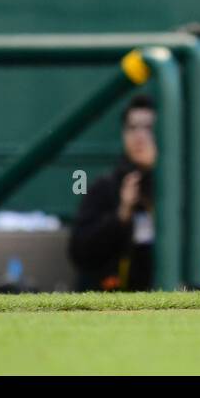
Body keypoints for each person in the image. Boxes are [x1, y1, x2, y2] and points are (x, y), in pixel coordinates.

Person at [68, 95, 160, 291]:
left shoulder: (182, 186)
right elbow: (80, 252)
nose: (139, 137)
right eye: (132, 128)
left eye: (148, 128)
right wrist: (122, 215)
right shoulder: (105, 186)